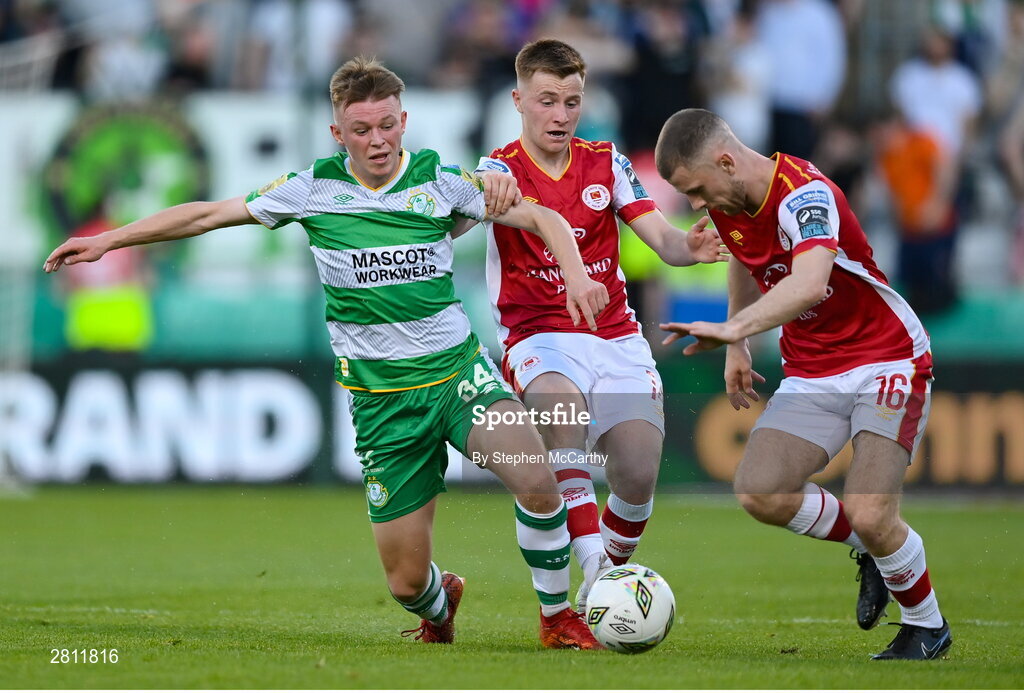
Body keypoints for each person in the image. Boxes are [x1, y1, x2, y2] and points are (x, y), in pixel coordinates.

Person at [43, 56, 608, 650]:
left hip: (457, 376)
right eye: (361, 130)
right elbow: (209, 213)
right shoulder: (312, 189)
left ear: (403, 120)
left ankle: (556, 618)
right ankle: (439, 606)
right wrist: (108, 239)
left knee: (539, 481)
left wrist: (575, 276)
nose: (378, 141)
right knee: (406, 581)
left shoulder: (439, 181)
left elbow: (544, 215)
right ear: (338, 134)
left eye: (387, 126)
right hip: (383, 405)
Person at [654, 108, 952, 661]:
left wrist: (733, 328)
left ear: (725, 161)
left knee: (870, 508)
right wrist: (739, 346)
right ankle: (876, 550)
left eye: (696, 189)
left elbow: (811, 283)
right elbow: (743, 260)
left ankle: (926, 626)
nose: (695, 204)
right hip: (813, 367)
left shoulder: (803, 196)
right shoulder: (728, 202)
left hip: (886, 357)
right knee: (759, 490)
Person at [467, 39, 726, 610]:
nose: (560, 115)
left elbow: (661, 238)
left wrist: (692, 245)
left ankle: (596, 589)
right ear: (518, 100)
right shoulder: (497, 171)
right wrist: (473, 203)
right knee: (564, 417)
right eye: (547, 100)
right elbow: (468, 221)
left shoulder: (606, 162)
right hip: (538, 336)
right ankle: (595, 579)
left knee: (636, 472)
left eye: (572, 101)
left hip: (614, 337)